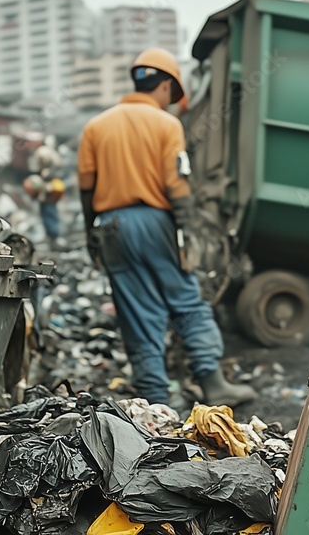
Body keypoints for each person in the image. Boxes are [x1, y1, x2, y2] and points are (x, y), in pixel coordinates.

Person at [77, 47, 256, 408]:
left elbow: (86, 188)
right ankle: (212, 381)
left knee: (136, 311)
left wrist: (90, 236)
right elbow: (176, 184)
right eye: (171, 96)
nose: (172, 103)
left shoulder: (96, 126)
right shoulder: (166, 124)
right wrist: (185, 233)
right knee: (186, 300)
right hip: (156, 222)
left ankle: (155, 398)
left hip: (110, 225)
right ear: (165, 87)